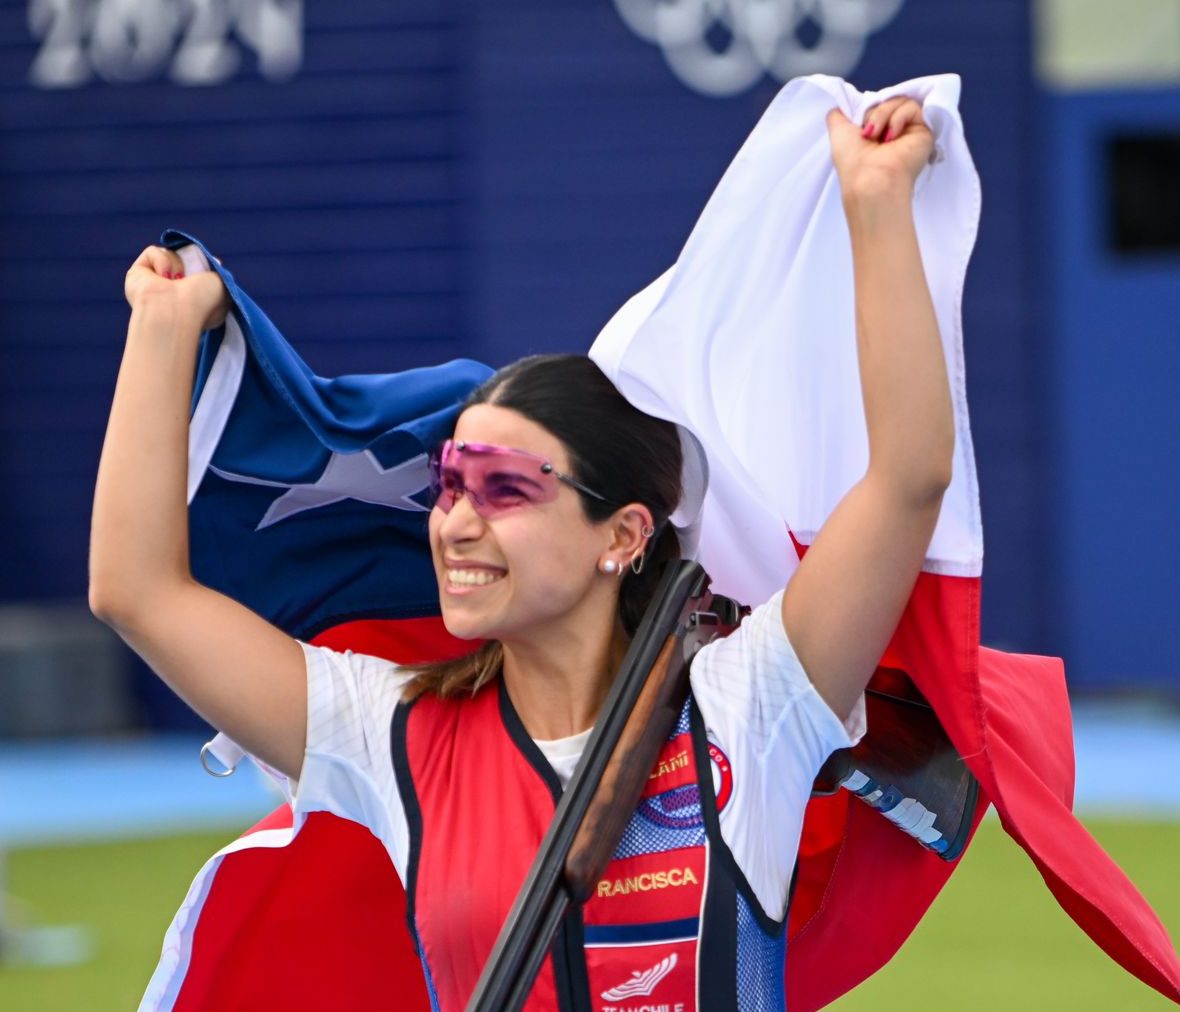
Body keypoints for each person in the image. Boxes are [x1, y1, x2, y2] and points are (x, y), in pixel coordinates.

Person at [89, 96, 949, 1008]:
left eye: (504, 489)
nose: (456, 522)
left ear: (621, 535)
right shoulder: (391, 736)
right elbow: (136, 590)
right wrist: (164, 326)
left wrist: (877, 203)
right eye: (450, 486)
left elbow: (907, 480)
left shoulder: (753, 704)